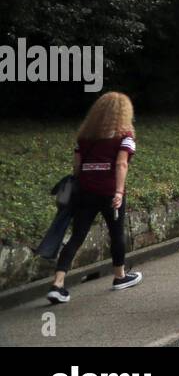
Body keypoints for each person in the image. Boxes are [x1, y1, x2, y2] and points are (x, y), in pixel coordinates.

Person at [46, 92, 144, 304]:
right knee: (116, 234)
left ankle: (58, 284)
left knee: (77, 236)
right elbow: (121, 164)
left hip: (85, 192)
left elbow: (77, 166)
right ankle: (119, 276)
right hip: (110, 192)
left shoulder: (85, 137)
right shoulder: (125, 136)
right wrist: (118, 192)